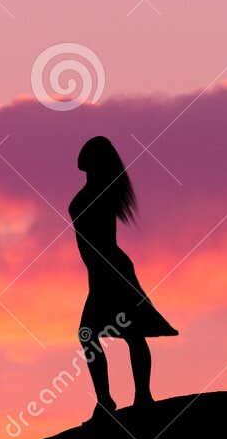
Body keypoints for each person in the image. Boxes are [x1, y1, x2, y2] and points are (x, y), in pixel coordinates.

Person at [70, 136, 177, 420]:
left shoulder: (101, 194)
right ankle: (116, 399)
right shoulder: (100, 192)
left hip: (108, 269)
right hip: (103, 269)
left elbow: (95, 241)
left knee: (112, 332)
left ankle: (125, 398)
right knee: (111, 333)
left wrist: (99, 270)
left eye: (90, 165)